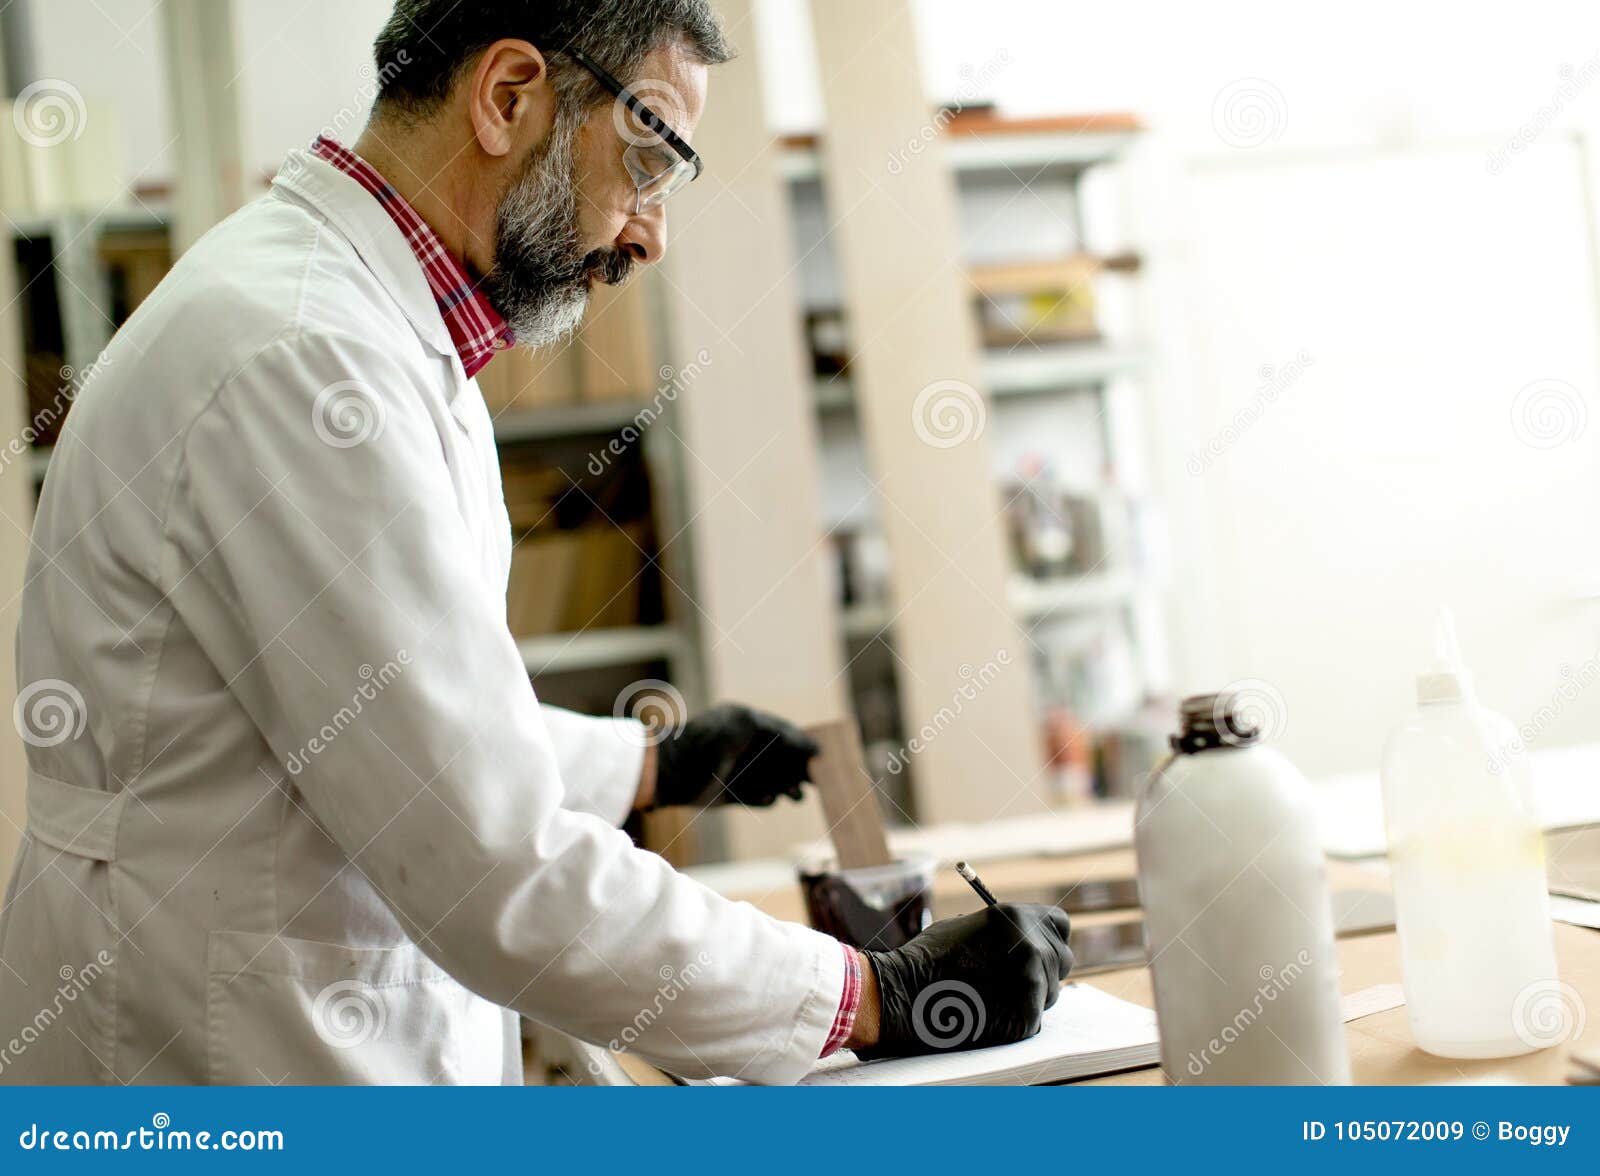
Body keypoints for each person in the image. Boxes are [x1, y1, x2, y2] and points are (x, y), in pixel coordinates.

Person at [0, 0, 1071, 1085]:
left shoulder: (363, 328)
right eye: (648, 156)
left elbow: (385, 723)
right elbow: (487, 860)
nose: (650, 232)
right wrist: (870, 997)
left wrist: (650, 761)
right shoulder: (304, 357)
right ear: (509, 96)